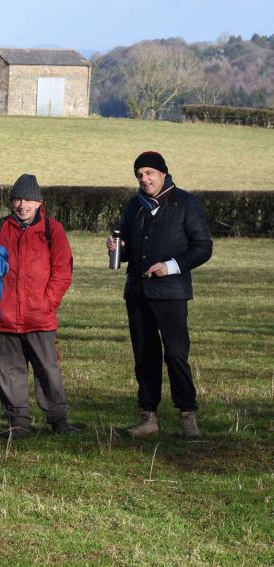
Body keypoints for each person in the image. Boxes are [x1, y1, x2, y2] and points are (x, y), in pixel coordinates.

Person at [108, 151, 213, 438]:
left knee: (176, 355)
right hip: (138, 293)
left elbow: (203, 247)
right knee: (144, 355)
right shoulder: (134, 206)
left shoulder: (186, 203)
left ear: (163, 173)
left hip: (171, 293)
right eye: (139, 174)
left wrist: (171, 266)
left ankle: (187, 415)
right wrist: (119, 251)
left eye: (149, 173)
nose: (144, 178)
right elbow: (129, 249)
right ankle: (148, 417)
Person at [0, 175, 77, 437]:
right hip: (4, 317)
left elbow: (62, 272)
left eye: (28, 200)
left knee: (48, 371)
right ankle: (18, 423)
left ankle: (58, 421)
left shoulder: (52, 229)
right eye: (18, 199)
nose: (23, 205)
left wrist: (47, 303)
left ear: (38, 202)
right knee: (9, 372)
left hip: (39, 317)